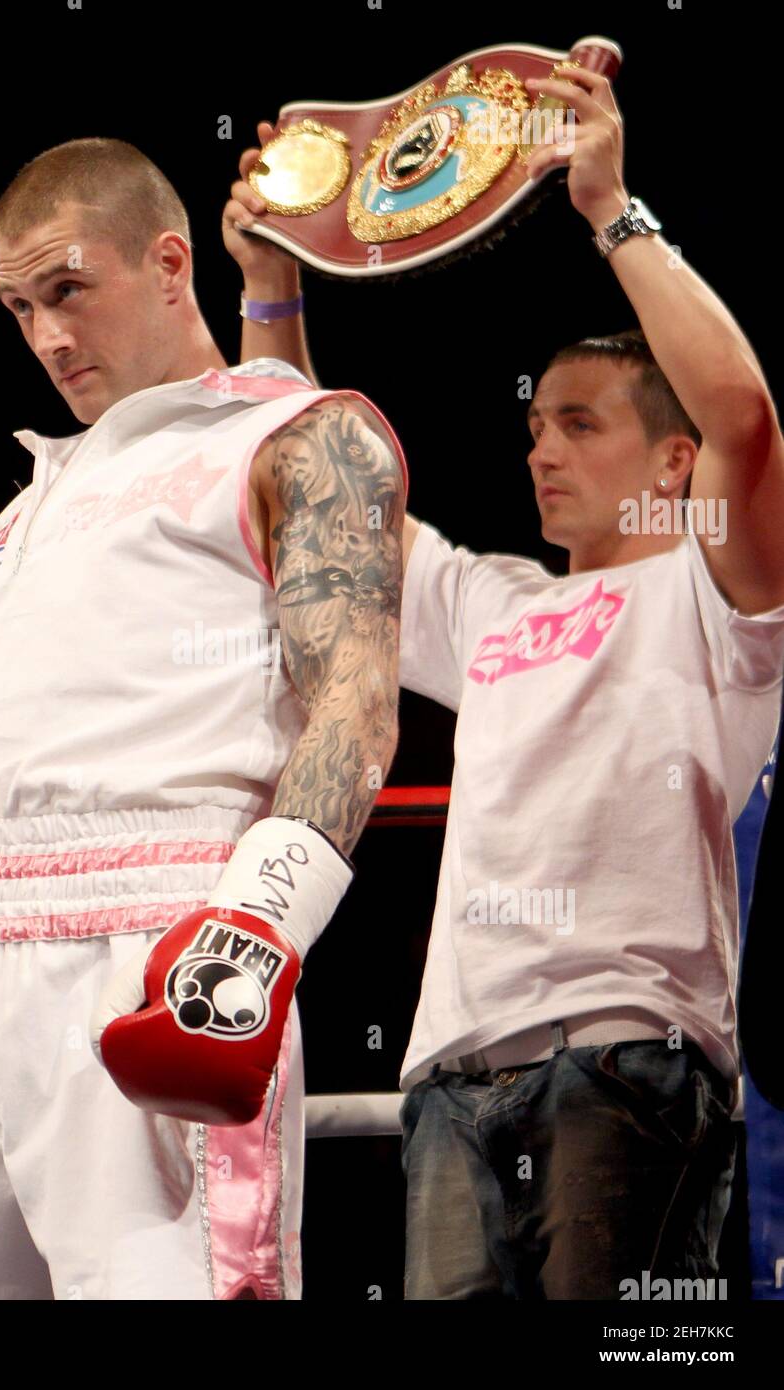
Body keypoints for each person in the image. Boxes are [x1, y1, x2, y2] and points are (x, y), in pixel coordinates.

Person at [0, 138, 408, 1300]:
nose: (47, 335)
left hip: (153, 958)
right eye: (19, 306)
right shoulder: (16, 521)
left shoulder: (298, 438)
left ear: (170, 263)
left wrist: (254, 935)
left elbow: (355, 708)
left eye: (68, 289)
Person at [224, 69, 784, 1298]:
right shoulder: (495, 601)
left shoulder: (708, 596)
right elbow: (320, 494)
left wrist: (609, 205)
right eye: (537, 429)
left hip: (626, 1060)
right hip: (453, 1078)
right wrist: (275, 270)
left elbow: (744, 414)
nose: (542, 449)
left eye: (580, 425)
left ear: (669, 458)